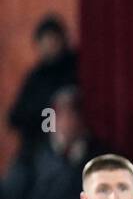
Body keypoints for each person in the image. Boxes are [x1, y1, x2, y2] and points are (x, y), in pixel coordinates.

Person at [6, 16, 79, 158]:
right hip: (34, 146)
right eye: (45, 42)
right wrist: (43, 111)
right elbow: (14, 117)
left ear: (63, 40)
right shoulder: (36, 76)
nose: (49, 46)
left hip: (68, 146)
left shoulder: (76, 70)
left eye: (53, 40)